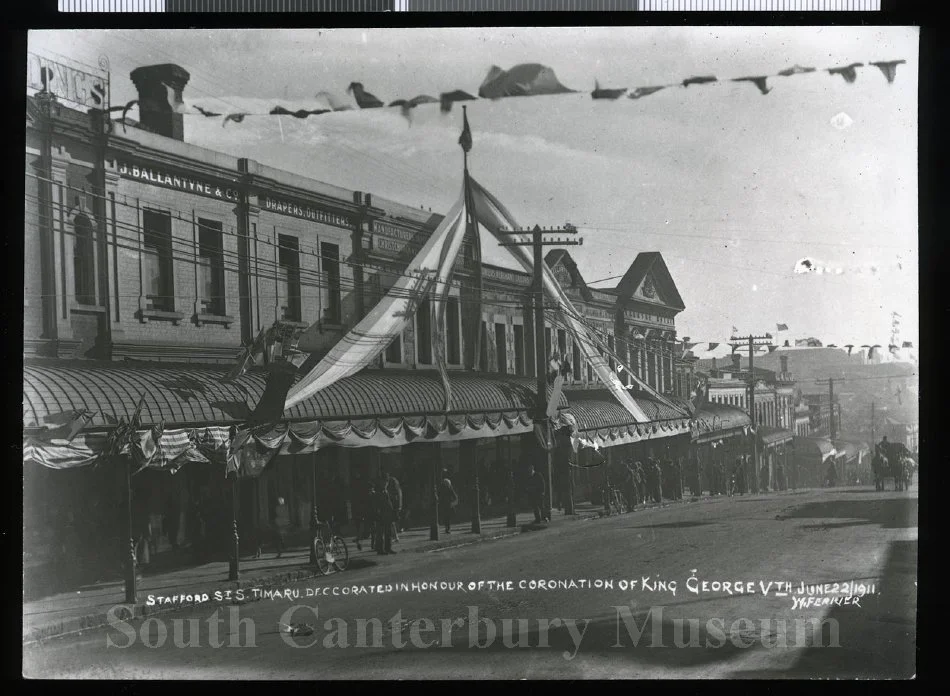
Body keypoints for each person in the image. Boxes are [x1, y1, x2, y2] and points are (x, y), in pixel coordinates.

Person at [373, 480, 396, 555]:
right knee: (380, 533)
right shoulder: (378, 492)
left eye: (387, 482)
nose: (386, 484)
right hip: (381, 515)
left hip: (387, 515)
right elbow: (377, 505)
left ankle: (388, 548)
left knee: (388, 532)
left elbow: (389, 503)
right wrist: (378, 513)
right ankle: (380, 549)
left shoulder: (386, 491)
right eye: (384, 482)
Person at [354, 480, 375, 552]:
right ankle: (359, 541)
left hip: (372, 515)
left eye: (372, 488)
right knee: (367, 533)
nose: (372, 489)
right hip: (367, 516)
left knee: (373, 531)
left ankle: (373, 545)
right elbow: (362, 507)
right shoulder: (365, 496)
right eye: (371, 488)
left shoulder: (373, 494)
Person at [382, 471, 403, 541]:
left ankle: (393, 536)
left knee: (391, 522)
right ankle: (395, 536)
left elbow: (394, 495)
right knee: (392, 522)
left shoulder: (392, 483)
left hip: (392, 506)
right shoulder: (394, 482)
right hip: (393, 505)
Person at [438, 469, 459, 534]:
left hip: (444, 503)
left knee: (446, 516)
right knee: (447, 516)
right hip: (447, 503)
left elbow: (439, 494)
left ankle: (447, 528)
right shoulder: (449, 486)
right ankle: (447, 528)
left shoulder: (442, 486)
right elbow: (453, 494)